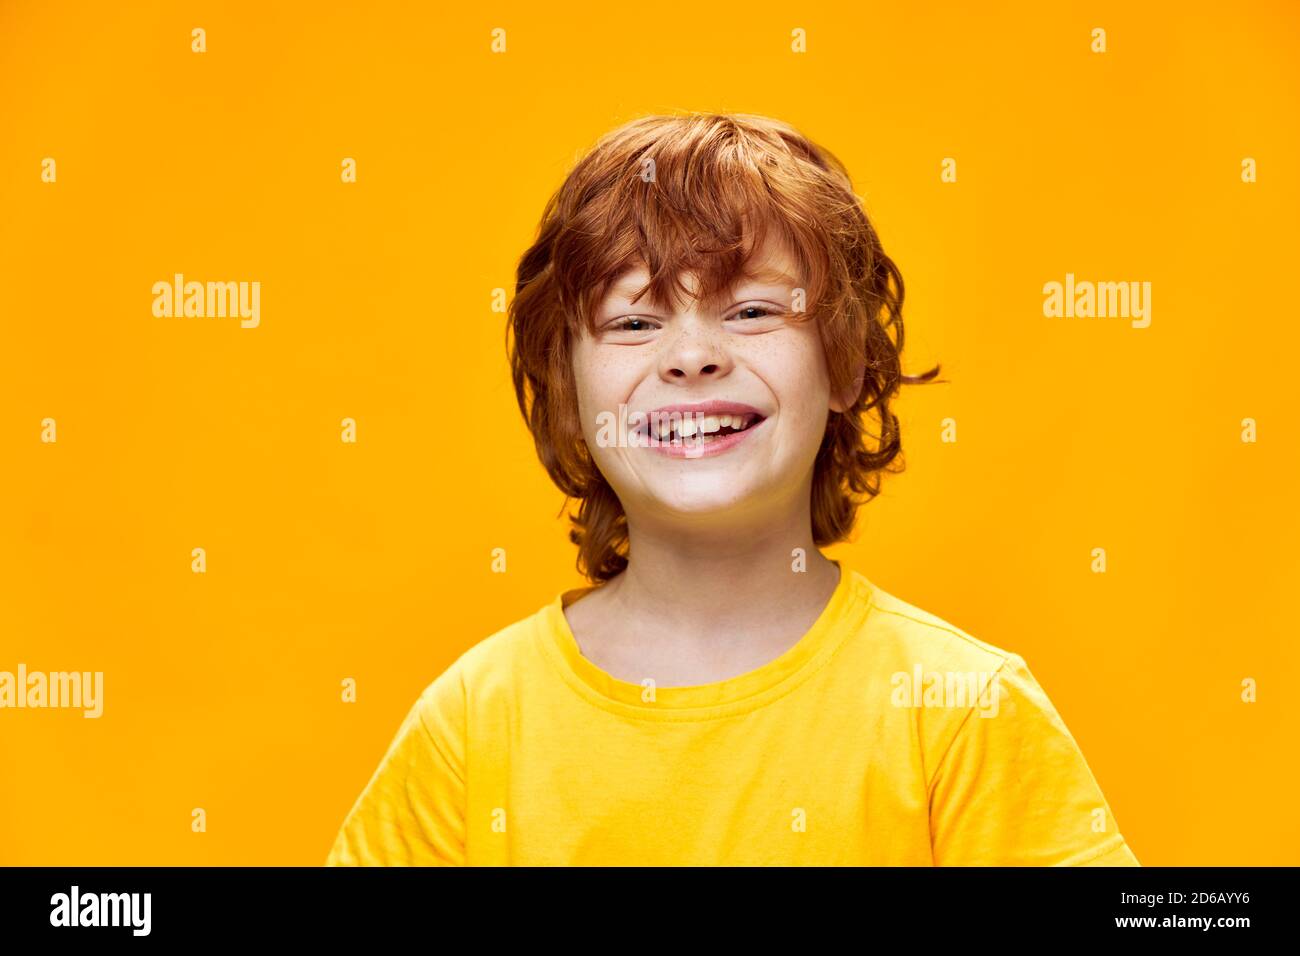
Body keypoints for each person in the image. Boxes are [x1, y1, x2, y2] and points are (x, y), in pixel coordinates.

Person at [325, 113, 1139, 866]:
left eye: (751, 311)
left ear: (847, 362)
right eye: (634, 323)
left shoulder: (959, 708)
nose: (691, 356)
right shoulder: (474, 721)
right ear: (569, 397)